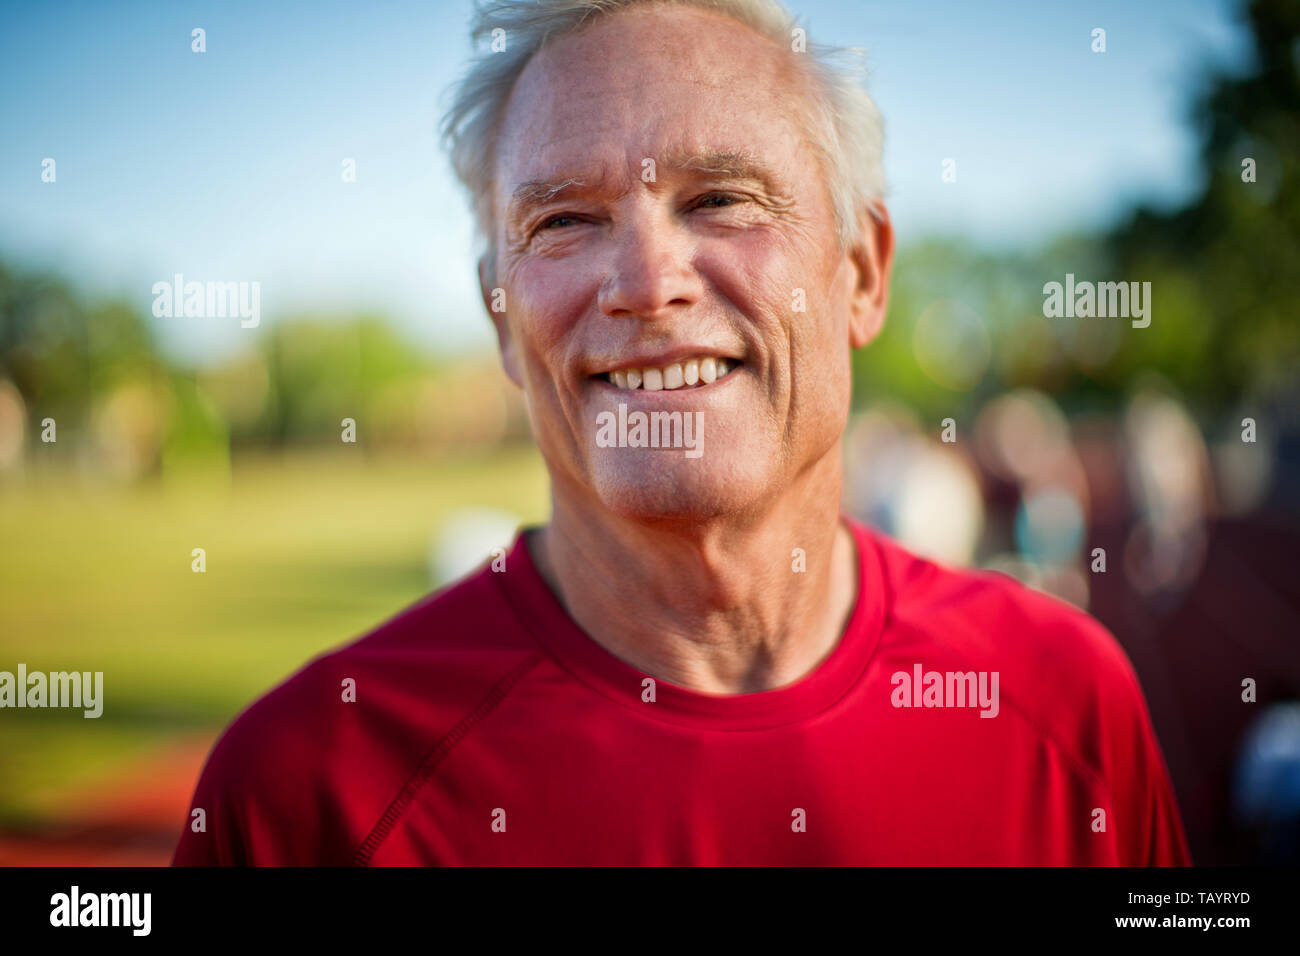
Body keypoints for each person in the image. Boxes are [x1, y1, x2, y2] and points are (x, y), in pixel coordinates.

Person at [173, 0, 1190, 865]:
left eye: (721, 199)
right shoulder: (305, 791)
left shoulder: (1065, 698)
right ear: (499, 314)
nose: (645, 284)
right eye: (563, 221)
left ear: (864, 272)